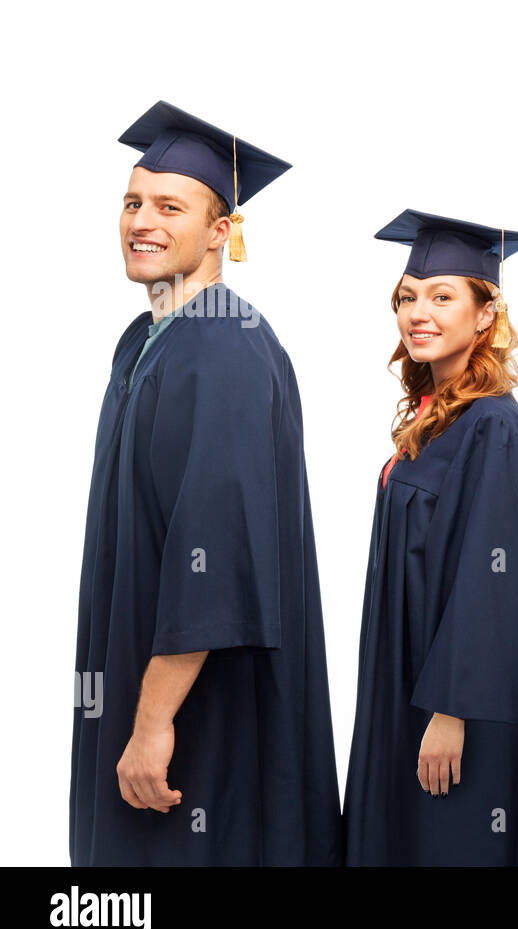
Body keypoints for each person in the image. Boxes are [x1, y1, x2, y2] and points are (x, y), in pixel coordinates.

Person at [70, 101, 341, 865]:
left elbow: (213, 556)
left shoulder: (223, 346)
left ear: (221, 232)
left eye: (169, 206)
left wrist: (153, 723)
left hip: (199, 717)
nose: (141, 221)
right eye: (132, 202)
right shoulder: (148, 342)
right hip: (143, 683)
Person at [343, 211, 518, 865]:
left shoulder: (493, 426)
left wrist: (450, 712)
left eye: (443, 297)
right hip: (414, 685)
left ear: (484, 316)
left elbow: (490, 582)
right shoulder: (435, 420)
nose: (419, 312)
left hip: (462, 709)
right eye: (408, 298)